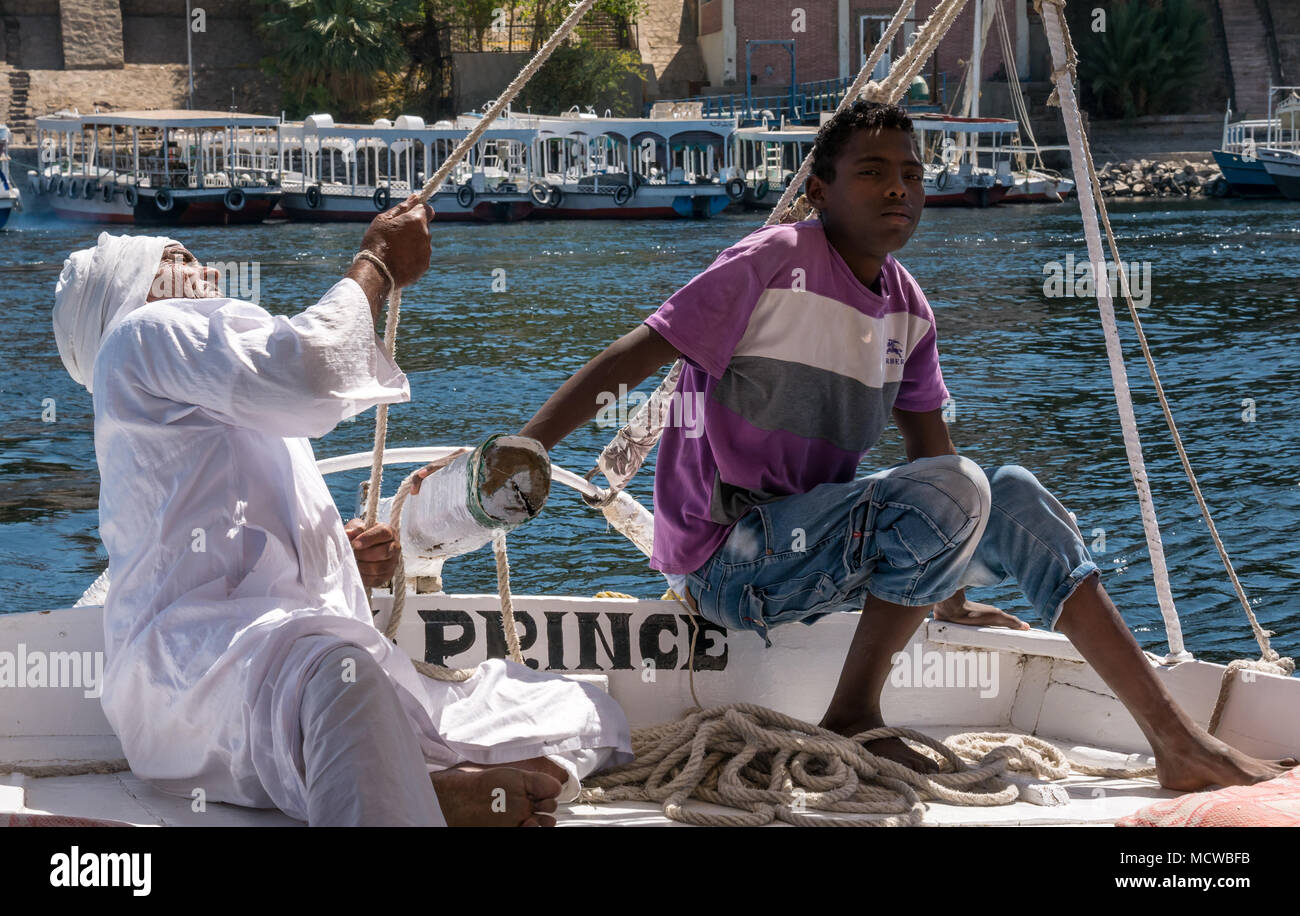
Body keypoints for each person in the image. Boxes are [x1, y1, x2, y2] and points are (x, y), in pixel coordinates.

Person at [518, 101, 1295, 792]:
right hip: (732, 560)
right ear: (820, 191)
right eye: (873, 172)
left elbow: (934, 454)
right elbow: (629, 359)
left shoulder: (907, 307)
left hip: (816, 546)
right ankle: (855, 710)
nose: (899, 188)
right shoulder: (769, 264)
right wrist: (528, 450)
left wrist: (947, 588)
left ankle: (1174, 738)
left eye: (911, 174)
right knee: (957, 486)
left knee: (1014, 490)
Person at [51, 196, 631, 826]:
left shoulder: (186, 395)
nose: (211, 275)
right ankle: (425, 792)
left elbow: (232, 543)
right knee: (342, 677)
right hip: (203, 668)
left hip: (215, 698)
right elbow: (313, 367)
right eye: (181, 260)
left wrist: (342, 563)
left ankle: (414, 779)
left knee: (583, 715)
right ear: (132, 290)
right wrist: (377, 261)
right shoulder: (141, 335)